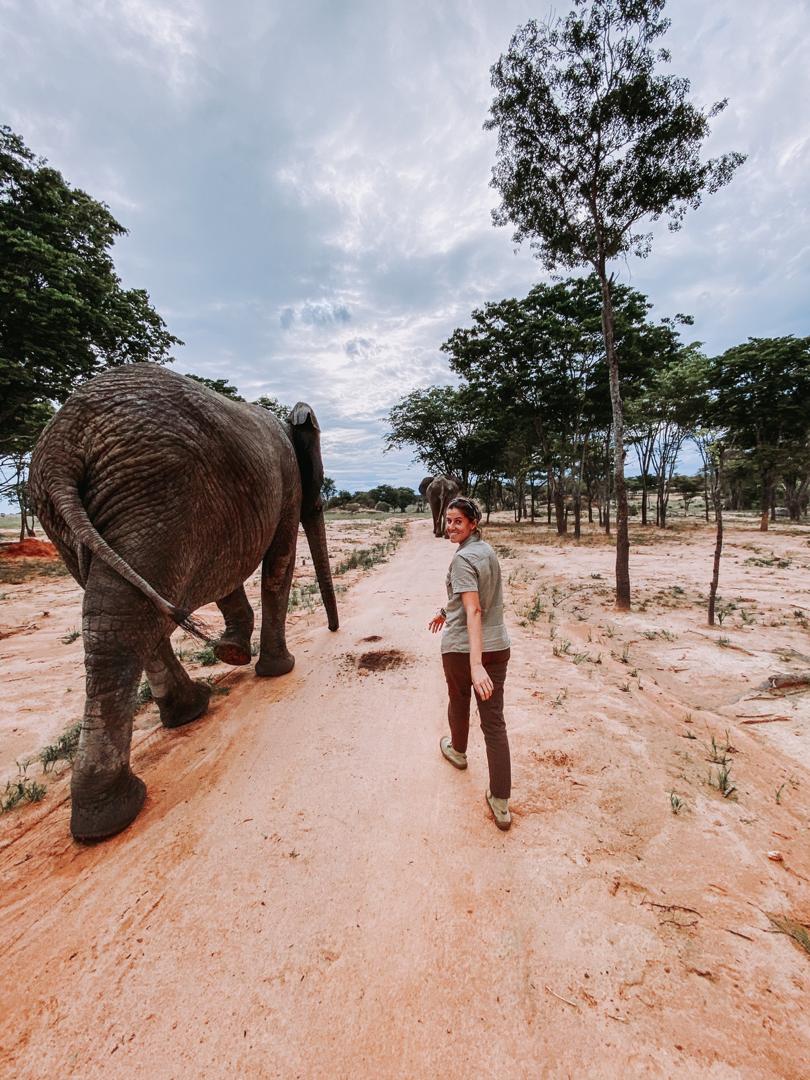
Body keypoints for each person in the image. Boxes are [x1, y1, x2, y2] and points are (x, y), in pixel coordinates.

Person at [428, 496, 512, 830]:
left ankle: (458, 751)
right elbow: (472, 598)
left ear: (473, 523)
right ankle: (501, 801)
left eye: (458, 522)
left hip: (464, 650)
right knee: (494, 722)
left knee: (459, 700)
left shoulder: (463, 559)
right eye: (448, 521)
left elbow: (474, 609)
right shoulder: (486, 551)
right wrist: (444, 611)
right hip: (498, 646)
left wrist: (476, 665)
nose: (451, 527)